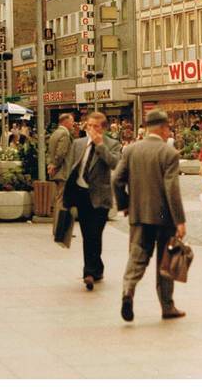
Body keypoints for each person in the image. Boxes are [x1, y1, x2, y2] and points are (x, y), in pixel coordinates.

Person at [113, 110, 187, 322]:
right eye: (168, 129)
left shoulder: (131, 150)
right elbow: (171, 188)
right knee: (166, 262)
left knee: (137, 257)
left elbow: (116, 180)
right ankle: (167, 306)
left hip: (139, 215)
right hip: (164, 217)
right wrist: (180, 220)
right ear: (163, 128)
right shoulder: (169, 153)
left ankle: (128, 291)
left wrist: (126, 204)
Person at [63, 112, 122, 291]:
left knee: (95, 234)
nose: (92, 130)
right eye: (89, 126)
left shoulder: (113, 144)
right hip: (81, 194)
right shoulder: (78, 143)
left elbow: (116, 164)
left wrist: (100, 146)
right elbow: (72, 167)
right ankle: (90, 271)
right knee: (88, 234)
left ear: (103, 128)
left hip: (100, 196)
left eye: (96, 127)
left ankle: (93, 269)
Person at [47, 113, 75, 219]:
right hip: (63, 171)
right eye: (72, 121)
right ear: (65, 122)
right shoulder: (64, 134)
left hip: (57, 172)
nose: (73, 123)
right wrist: (55, 165)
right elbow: (61, 153)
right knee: (62, 200)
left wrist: (51, 165)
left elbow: (51, 152)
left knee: (59, 199)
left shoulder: (55, 133)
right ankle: (60, 230)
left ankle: (59, 229)